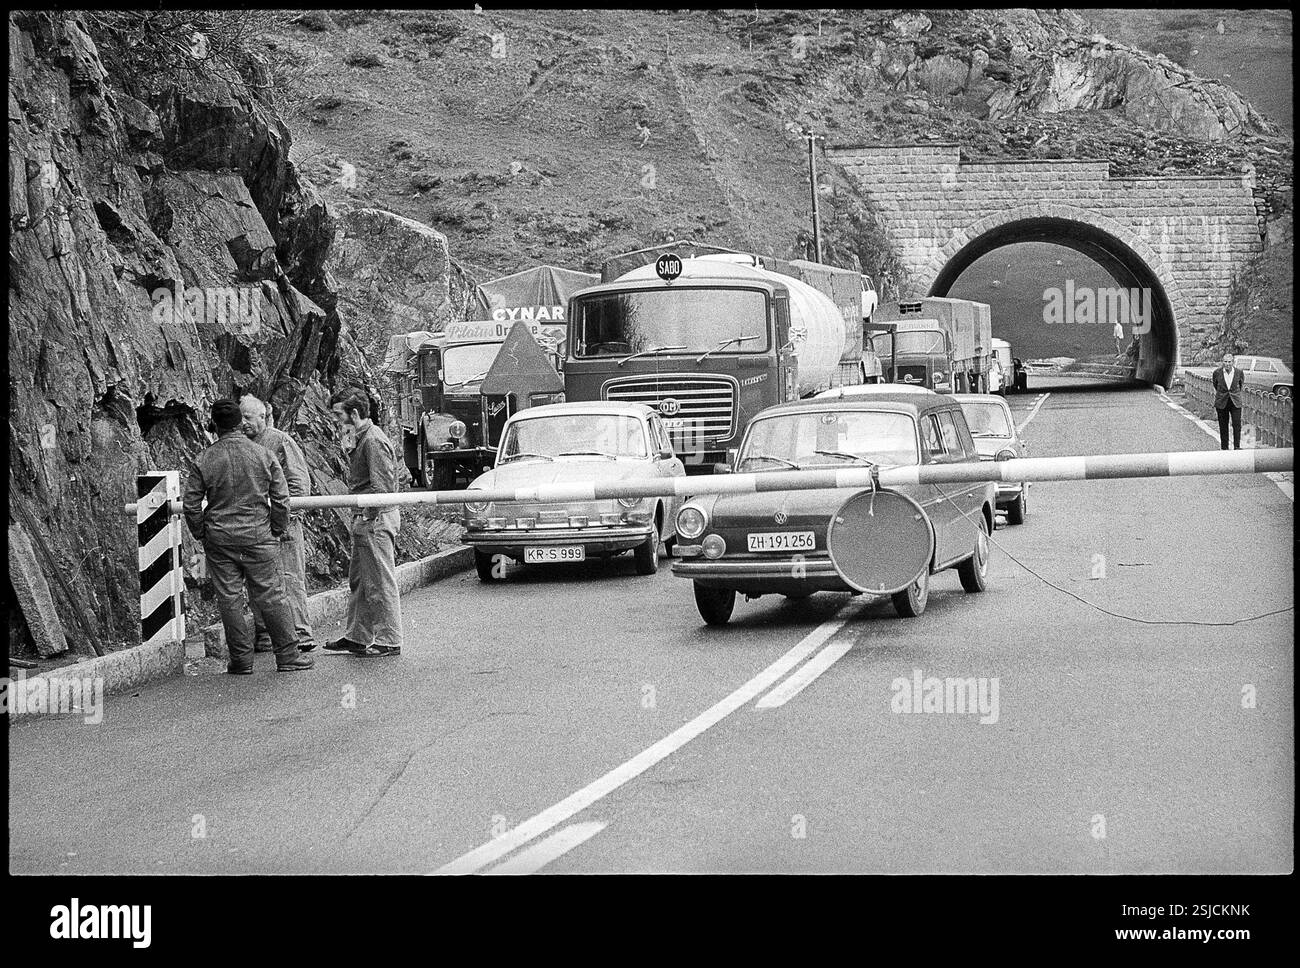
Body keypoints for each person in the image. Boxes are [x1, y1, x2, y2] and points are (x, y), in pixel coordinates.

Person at [183, 400, 314, 674]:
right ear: (239, 424)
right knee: (272, 595)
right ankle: (288, 656)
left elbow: (191, 504)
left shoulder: (203, 460)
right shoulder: (264, 455)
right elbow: (282, 498)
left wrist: (201, 533)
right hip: (259, 537)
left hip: (220, 540)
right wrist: (276, 529)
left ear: (215, 426)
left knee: (229, 599)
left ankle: (241, 661)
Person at [324, 387, 403, 657]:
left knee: (379, 581)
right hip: (365, 517)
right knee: (359, 580)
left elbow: (382, 487)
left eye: (338, 414)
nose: (334, 420)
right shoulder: (360, 438)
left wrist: (368, 517)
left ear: (354, 414)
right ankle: (357, 635)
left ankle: (389, 638)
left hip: (375, 518)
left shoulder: (372, 441)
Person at [240, 394, 316, 654]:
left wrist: (289, 517)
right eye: (241, 418)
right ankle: (266, 634)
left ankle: (300, 634)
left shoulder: (279, 440)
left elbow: (298, 481)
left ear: (263, 417)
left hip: (283, 523)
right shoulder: (241, 445)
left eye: (248, 418)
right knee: (259, 580)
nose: (244, 423)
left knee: (289, 578)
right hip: (255, 526)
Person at [1212, 352, 1245, 450]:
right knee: (1223, 425)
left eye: (1229, 362)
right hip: (1222, 401)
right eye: (1225, 362)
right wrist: (1222, 393)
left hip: (1235, 401)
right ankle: (1224, 447)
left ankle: (1237, 446)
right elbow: (1215, 384)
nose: (1227, 364)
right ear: (1222, 362)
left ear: (1233, 362)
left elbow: (1241, 384)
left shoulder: (1239, 372)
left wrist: (1234, 394)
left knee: (1236, 424)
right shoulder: (1217, 372)